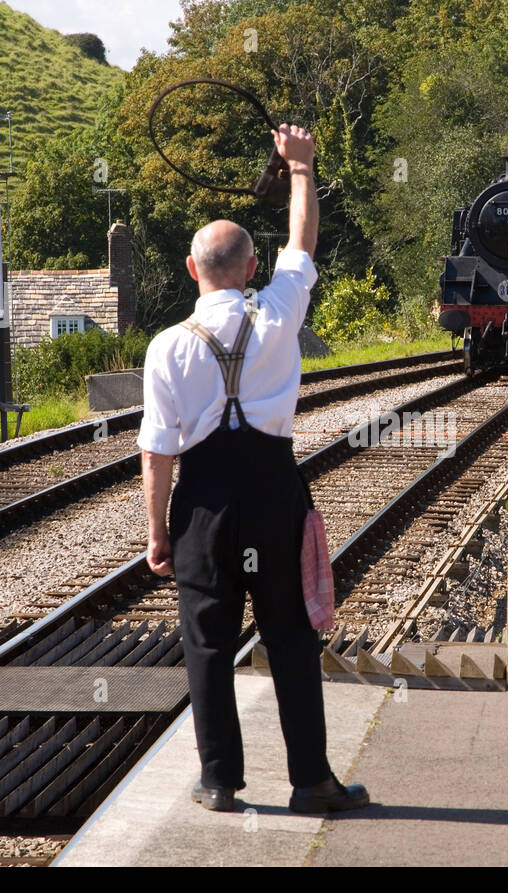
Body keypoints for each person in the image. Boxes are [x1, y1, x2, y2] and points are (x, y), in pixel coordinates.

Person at [137, 124, 369, 815]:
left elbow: (158, 451)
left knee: (207, 644)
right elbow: (302, 245)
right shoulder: (277, 314)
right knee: (291, 638)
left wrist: (157, 532)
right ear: (248, 269)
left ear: (191, 269)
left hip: (204, 505)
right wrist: (301, 167)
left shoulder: (165, 348)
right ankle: (311, 782)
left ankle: (218, 783)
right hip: (274, 496)